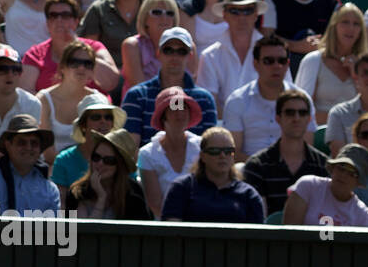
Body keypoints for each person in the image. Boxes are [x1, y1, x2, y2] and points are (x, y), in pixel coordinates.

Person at [122, 25, 217, 146]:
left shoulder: (205, 99)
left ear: (190, 55)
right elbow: (130, 148)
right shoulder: (137, 96)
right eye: (168, 50)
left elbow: (209, 149)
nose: (174, 56)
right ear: (158, 53)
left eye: (181, 51)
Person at [242, 87, 329, 217]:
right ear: (278, 118)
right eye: (290, 113)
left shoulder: (323, 165)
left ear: (309, 119)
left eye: (303, 113)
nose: (296, 118)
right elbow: (257, 218)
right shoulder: (257, 166)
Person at [224, 36, 314, 160]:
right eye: (268, 61)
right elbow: (233, 153)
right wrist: (263, 169)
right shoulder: (237, 101)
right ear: (256, 64)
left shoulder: (303, 101)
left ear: (288, 64)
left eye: (281, 61)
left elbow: (306, 150)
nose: (276, 66)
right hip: (248, 171)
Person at [20, 0, 120, 94]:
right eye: (53, 15)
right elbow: (26, 93)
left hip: (92, 108)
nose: (59, 20)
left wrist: (78, 45)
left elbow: (111, 83)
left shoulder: (95, 47)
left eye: (65, 15)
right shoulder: (35, 55)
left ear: (76, 22)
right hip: (51, 109)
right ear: (47, 23)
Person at [161, 126, 266, 223]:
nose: (222, 156)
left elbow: (257, 238)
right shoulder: (181, 188)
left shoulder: (249, 195)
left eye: (228, 151)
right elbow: (172, 234)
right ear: (202, 156)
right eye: (215, 151)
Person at [0, 113, 61, 216]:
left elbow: (53, 230)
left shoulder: (49, 189)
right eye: (21, 142)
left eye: (34, 143)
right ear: (8, 145)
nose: (28, 148)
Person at [136, 85, 203, 218]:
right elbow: (156, 206)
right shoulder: (147, 154)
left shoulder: (202, 147)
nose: (180, 112)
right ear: (163, 116)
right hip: (165, 230)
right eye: (174, 107)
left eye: (183, 107)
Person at [295, 3, 366, 123]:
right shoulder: (313, 61)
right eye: (345, 22)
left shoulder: (366, 66)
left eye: (356, 24)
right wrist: (339, 120)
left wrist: (356, 77)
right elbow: (301, 111)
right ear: (334, 26)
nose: (351, 28)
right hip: (317, 134)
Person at [66, 127, 150, 219]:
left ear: (120, 166)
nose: (100, 163)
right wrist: (101, 199)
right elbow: (79, 231)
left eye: (109, 160)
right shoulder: (77, 192)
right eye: (96, 157)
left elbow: (140, 231)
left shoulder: (133, 194)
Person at [284, 143, 368, 227]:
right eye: (341, 168)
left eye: (352, 173)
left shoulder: (362, 214)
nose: (343, 175)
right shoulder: (307, 186)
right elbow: (289, 235)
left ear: (359, 182)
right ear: (333, 168)